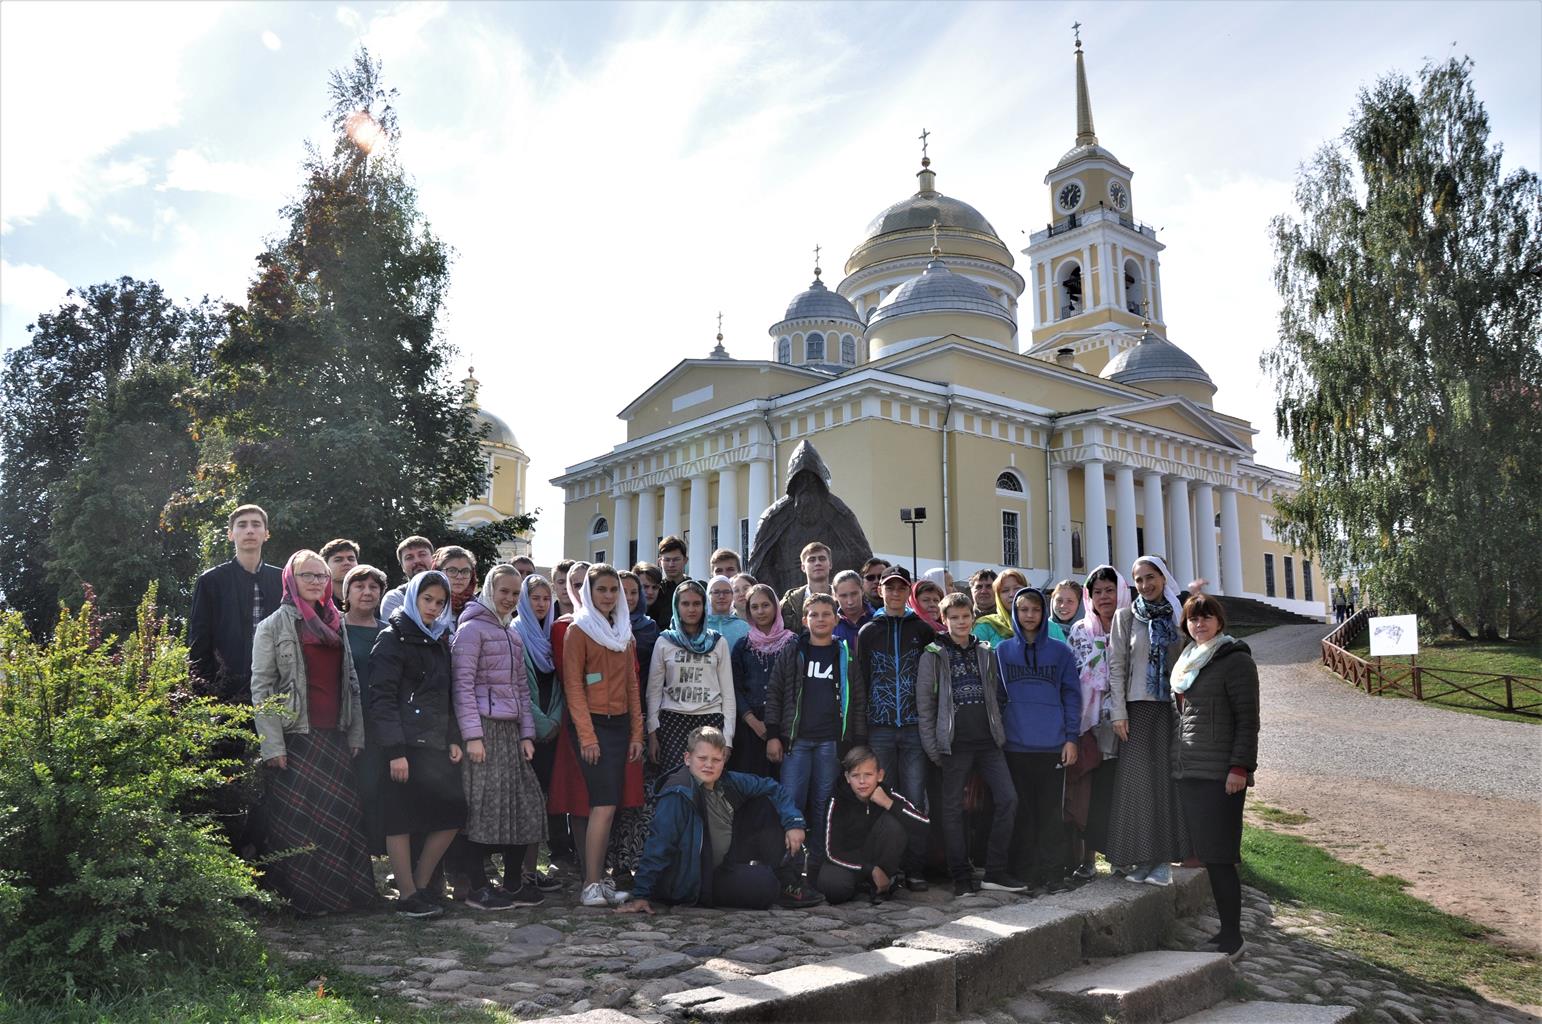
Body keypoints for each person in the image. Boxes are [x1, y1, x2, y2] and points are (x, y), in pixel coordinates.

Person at [249, 550, 376, 914]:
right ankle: (306, 900)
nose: (317, 582)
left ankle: (345, 897)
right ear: (291, 580)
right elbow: (262, 688)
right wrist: (272, 746)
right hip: (295, 737)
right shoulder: (273, 625)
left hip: (334, 736)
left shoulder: (336, 621)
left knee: (339, 817)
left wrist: (355, 734)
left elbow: (351, 683)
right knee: (299, 823)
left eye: (321, 576)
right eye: (308, 575)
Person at [617, 726, 823, 913]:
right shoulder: (678, 793)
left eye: (716, 760)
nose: (709, 765)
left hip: (723, 863)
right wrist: (641, 894)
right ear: (687, 758)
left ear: (724, 761)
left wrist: (794, 823)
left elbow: (772, 787)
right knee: (765, 886)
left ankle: (788, 881)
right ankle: (774, 882)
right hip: (695, 880)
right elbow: (659, 844)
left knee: (763, 803)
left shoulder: (727, 781)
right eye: (702, 758)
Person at [368, 570, 465, 919]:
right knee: (401, 819)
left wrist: (452, 737)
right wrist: (396, 752)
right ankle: (407, 896)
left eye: (440, 602)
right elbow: (382, 698)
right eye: (427, 599)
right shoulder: (391, 637)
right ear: (413, 597)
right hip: (403, 746)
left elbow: (446, 694)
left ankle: (421, 887)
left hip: (435, 744)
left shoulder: (440, 638)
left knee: (453, 814)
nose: (434, 608)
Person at [452, 564, 548, 910]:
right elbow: (462, 687)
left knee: (524, 804)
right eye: (503, 591)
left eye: (515, 593)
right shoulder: (471, 630)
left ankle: (512, 883)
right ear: (490, 590)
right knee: (483, 807)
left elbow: (522, 690)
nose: (509, 598)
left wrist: (527, 734)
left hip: (510, 731)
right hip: (483, 728)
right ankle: (478, 887)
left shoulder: (512, 634)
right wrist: (472, 736)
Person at [917, 593, 1024, 896]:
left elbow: (996, 694)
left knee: (1008, 799)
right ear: (944, 620)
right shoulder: (933, 655)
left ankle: (995, 870)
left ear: (972, 618)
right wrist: (933, 746)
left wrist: (997, 728)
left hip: (988, 742)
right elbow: (925, 706)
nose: (960, 622)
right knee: (952, 810)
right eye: (954, 618)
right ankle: (961, 875)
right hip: (954, 744)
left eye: (965, 617)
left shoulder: (986, 651)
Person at [1171, 593, 1258, 961]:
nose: (1199, 624)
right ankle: (1224, 932)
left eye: (1206, 617)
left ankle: (1233, 938)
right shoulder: (1188, 661)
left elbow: (1247, 720)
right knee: (1208, 855)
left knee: (1221, 857)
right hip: (1192, 769)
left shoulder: (1234, 660)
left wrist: (1240, 767)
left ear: (1219, 621)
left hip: (1222, 773)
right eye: (1193, 619)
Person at [765, 593, 865, 880]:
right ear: (804, 620)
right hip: (796, 741)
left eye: (826, 614)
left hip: (830, 742)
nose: (820, 619)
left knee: (823, 804)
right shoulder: (792, 651)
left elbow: (858, 700)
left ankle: (817, 866)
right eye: (814, 615)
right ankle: (789, 867)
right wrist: (773, 734)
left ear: (836, 619)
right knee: (791, 802)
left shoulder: (845, 654)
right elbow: (775, 693)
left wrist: (857, 742)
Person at [1106, 554, 1191, 886]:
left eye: (1150, 577)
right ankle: (1141, 858)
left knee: (1164, 784)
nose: (1145, 585)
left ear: (1163, 578)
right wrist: (1118, 712)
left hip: (1168, 710)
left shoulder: (1178, 616)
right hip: (1136, 710)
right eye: (1139, 579)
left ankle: (1162, 861)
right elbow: (1116, 667)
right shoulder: (1126, 617)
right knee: (1137, 785)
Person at [563, 563, 644, 907]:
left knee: (611, 807)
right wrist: (587, 736)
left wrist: (637, 733)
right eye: (602, 590)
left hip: (620, 725)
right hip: (593, 726)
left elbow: (631, 685)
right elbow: (574, 687)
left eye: (614, 590)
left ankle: (600, 879)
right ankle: (590, 884)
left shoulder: (624, 631)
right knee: (603, 805)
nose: (609, 596)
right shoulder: (578, 630)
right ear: (588, 593)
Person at [853, 565, 936, 890]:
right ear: (881, 590)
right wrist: (862, 728)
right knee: (882, 796)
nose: (895, 593)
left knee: (914, 798)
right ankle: (888, 867)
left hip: (914, 727)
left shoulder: (922, 630)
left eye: (901, 587)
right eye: (890, 587)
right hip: (880, 727)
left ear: (908, 591)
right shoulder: (868, 631)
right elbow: (861, 681)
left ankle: (915, 868)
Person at [996, 587, 1081, 893]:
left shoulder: (1061, 652)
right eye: (1023, 610)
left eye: (1035, 609)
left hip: (1052, 746)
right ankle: (1027, 874)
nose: (1029, 615)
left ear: (1044, 613)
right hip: (1015, 745)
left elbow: (1072, 696)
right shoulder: (1002, 651)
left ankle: (1054, 874)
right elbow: (997, 697)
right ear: (1015, 613)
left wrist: (1071, 738)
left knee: (1050, 813)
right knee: (1024, 813)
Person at [1064, 564, 1131, 881]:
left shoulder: (1132, 625)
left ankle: (1120, 857)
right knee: (1088, 791)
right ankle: (1088, 860)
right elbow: (1074, 675)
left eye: (1110, 590)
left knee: (1119, 790)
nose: (1104, 597)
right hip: (1088, 723)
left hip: (1126, 720)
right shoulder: (1080, 630)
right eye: (1098, 592)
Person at [188, 504, 283, 702]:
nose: (249, 530)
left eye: (256, 524)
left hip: (275, 686)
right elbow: (199, 640)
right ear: (230, 534)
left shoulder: (282, 580)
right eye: (242, 525)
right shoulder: (211, 581)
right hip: (225, 689)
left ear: (266, 534)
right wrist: (204, 689)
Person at [816, 746, 929, 905]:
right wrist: (870, 869)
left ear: (879, 775)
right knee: (833, 887)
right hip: (850, 862)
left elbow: (924, 825)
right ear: (847, 777)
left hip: (877, 856)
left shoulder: (886, 793)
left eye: (868, 775)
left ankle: (883, 883)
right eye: (855, 775)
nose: (862, 781)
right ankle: (867, 884)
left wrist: (888, 803)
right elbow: (831, 851)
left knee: (894, 823)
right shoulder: (837, 800)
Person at [647, 581, 735, 773]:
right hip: (672, 721)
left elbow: (728, 693)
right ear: (676, 606)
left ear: (704, 606)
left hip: (711, 718)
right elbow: (653, 691)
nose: (691, 609)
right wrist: (652, 733)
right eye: (685, 604)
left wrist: (727, 738)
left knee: (707, 780)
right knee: (675, 779)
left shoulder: (718, 642)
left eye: (697, 603)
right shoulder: (664, 641)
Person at [514, 573, 565, 892]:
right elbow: (517, 688)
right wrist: (542, 723)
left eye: (547, 598)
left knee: (541, 802)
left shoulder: (552, 635)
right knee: (526, 804)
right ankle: (517, 872)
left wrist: (556, 720)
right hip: (526, 733)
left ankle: (531, 871)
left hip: (552, 733)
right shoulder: (515, 633)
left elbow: (561, 684)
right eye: (535, 598)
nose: (542, 604)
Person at [341, 563, 390, 858]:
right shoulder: (335, 629)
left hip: (381, 724)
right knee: (353, 790)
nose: (367, 592)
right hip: (347, 723)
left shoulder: (388, 631)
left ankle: (377, 852)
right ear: (346, 592)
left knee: (378, 789)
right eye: (359, 586)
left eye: (374, 587)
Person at [728, 583, 796, 778]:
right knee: (751, 783)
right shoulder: (743, 645)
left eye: (765, 605)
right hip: (749, 727)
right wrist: (752, 721)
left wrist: (777, 728)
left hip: (785, 725)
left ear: (776, 606)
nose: (760, 611)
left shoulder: (793, 643)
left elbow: (795, 687)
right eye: (754, 607)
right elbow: (735, 687)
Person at [380, 536, 436, 622]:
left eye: (422, 554)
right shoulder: (396, 599)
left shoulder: (450, 595)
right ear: (402, 566)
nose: (417, 560)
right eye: (409, 557)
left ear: (433, 559)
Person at [780, 541, 833, 630]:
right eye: (812, 560)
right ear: (803, 567)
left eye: (822, 559)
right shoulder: (789, 602)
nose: (817, 563)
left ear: (830, 564)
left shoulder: (842, 598)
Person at [972, 568, 1027, 646]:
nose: (1011, 594)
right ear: (998, 596)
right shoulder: (984, 625)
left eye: (1016, 588)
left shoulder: (1038, 621)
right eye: (1005, 590)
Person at [649, 537, 689, 630]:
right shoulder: (654, 590)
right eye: (667, 560)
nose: (671, 565)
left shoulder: (695, 589)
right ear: (660, 562)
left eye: (676, 559)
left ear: (685, 560)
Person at [436, 546, 479, 630]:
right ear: (439, 572)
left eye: (465, 571)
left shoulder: (480, 608)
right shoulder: (428, 604)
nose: (459, 577)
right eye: (452, 570)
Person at [705, 574, 751, 650]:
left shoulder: (745, 628)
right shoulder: (700, 627)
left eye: (726, 592)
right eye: (716, 592)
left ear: (732, 595)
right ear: (708, 596)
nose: (721, 596)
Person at [831, 569, 874, 648]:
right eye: (843, 596)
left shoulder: (878, 618)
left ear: (862, 590)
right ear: (835, 596)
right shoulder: (829, 625)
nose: (850, 602)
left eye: (854, 594)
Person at [319, 538, 360, 606]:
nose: (347, 563)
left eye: (351, 559)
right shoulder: (317, 602)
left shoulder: (371, 598)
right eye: (338, 560)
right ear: (325, 566)